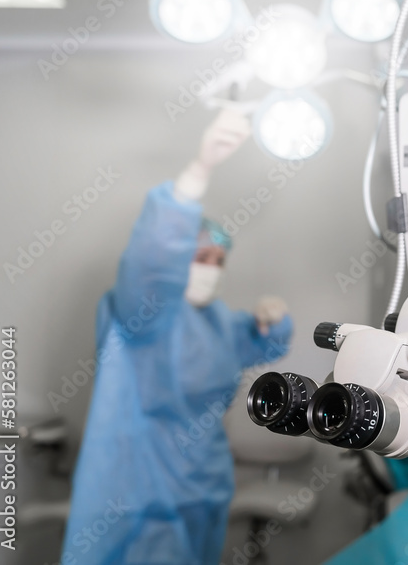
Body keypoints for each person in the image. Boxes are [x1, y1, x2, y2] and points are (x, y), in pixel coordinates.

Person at [61, 109, 293, 565]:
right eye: (196, 256)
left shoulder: (220, 322)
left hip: (204, 491)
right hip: (137, 499)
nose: (209, 268)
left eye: (216, 259)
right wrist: (198, 172)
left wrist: (275, 319)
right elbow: (152, 258)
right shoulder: (144, 316)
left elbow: (264, 345)